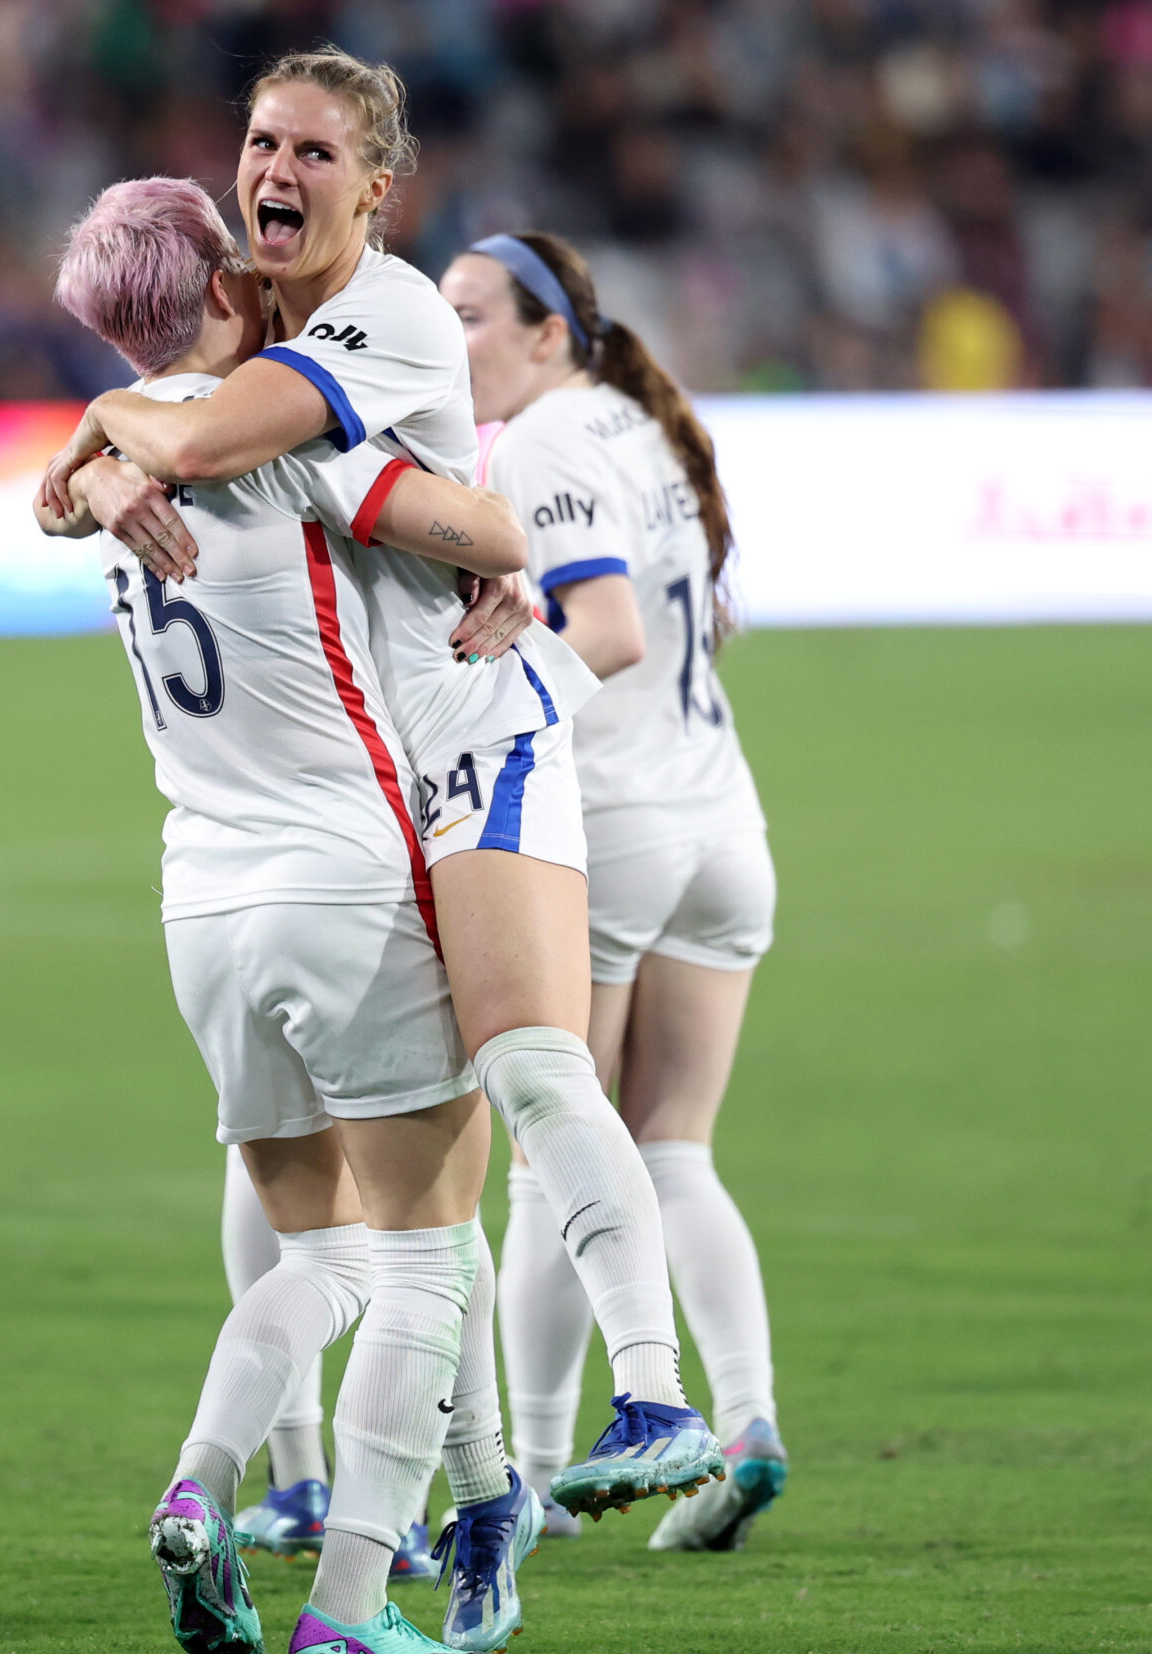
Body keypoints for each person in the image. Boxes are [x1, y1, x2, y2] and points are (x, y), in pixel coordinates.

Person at [38, 48, 724, 1542]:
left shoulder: (385, 312)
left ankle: (657, 1389)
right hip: (368, 773)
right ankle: (440, 1497)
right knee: (383, 1187)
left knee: (529, 1073)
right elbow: (112, 464)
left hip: (481, 731)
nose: (277, 171)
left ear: (376, 184)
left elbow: (278, 459)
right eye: (262, 143)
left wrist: (110, 433)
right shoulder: (246, 330)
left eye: (314, 153)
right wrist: (93, 465)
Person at [38, 176, 543, 1654]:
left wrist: (90, 445)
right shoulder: (288, 442)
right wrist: (501, 549)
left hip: (203, 905)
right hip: (343, 875)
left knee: (314, 1252)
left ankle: (203, 1478)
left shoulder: (116, 471)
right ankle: (348, 1598)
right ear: (211, 276)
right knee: (431, 1255)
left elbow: (86, 468)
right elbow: (479, 524)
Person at [442, 232, 787, 1551]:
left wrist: (488, 717)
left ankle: (528, 1475)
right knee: (672, 1147)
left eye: (473, 315)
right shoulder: (647, 427)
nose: (453, 337)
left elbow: (608, 627)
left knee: (546, 1158)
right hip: (726, 826)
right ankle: (746, 1423)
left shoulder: (542, 441)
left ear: (547, 332)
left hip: (626, 824)